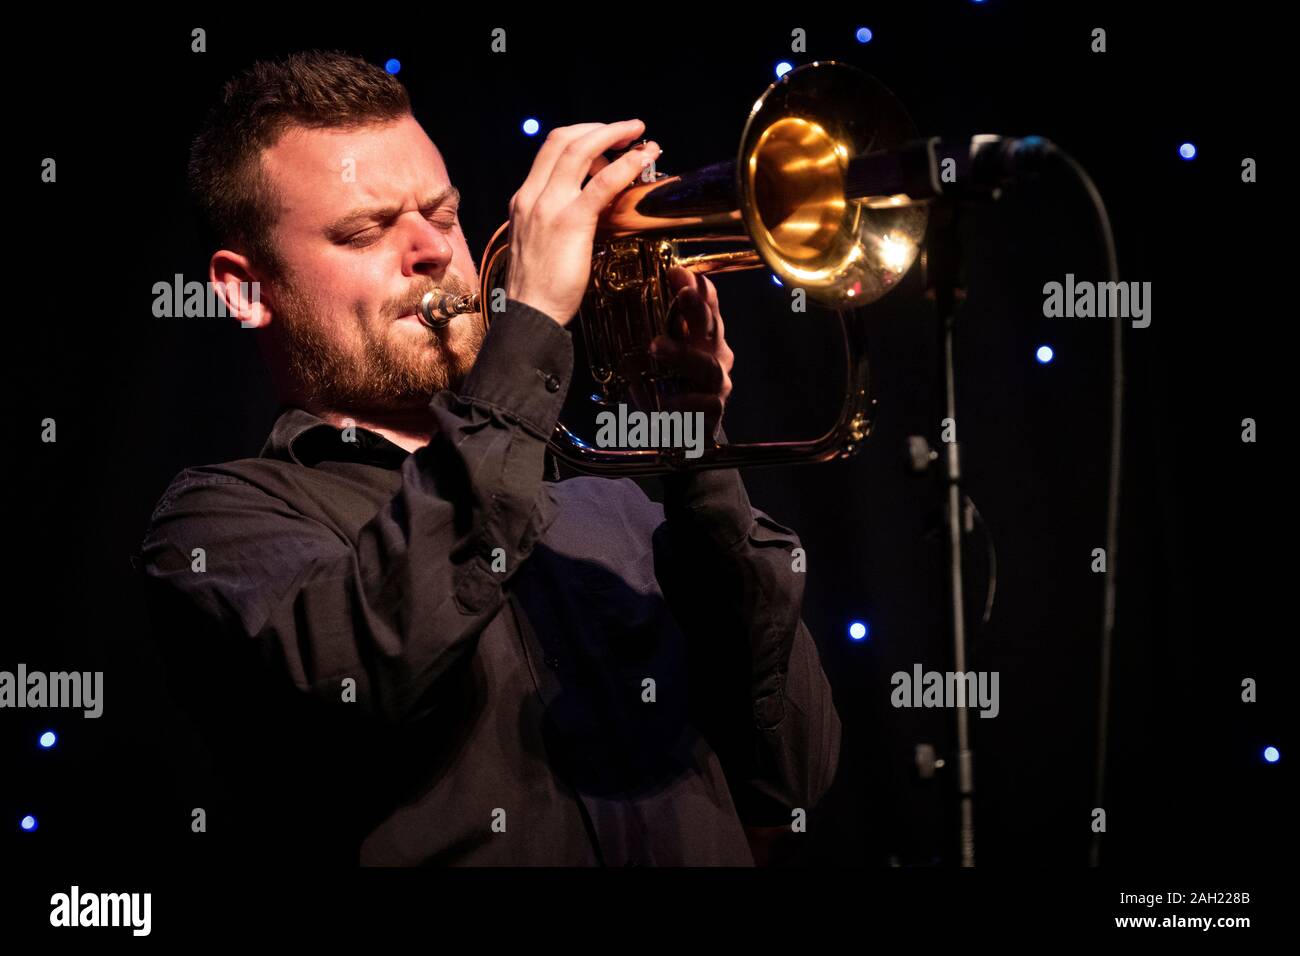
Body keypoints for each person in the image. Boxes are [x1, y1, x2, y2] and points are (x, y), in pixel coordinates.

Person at [136, 49, 841, 866]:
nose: (433, 251)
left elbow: (792, 778)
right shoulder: (220, 525)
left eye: (442, 215)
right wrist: (533, 319)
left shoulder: (609, 506)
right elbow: (370, 665)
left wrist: (696, 451)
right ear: (244, 289)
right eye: (366, 230)